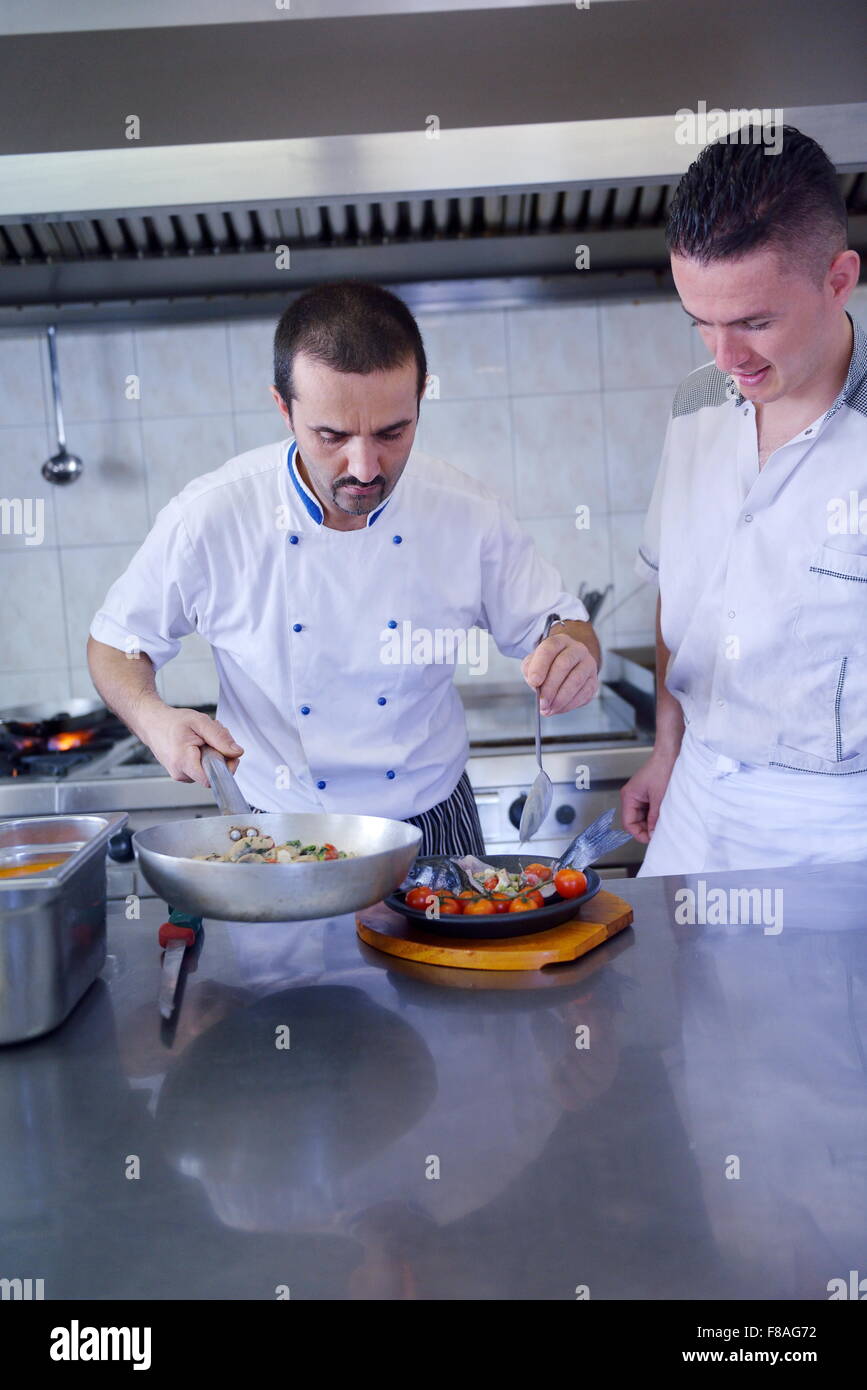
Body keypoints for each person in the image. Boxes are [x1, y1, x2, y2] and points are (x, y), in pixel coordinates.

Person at [88, 281, 601, 856]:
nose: (364, 468)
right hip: (277, 828)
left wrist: (571, 653)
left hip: (431, 824)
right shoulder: (212, 517)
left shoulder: (468, 513)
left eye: (392, 432)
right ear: (283, 408)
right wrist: (152, 717)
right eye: (332, 435)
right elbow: (116, 643)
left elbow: (562, 626)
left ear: (420, 401)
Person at [621, 124, 866, 874]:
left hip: (837, 825)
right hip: (696, 799)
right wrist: (666, 752)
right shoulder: (695, 404)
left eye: (754, 323)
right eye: (701, 322)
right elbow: (677, 602)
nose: (726, 359)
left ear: (837, 278)